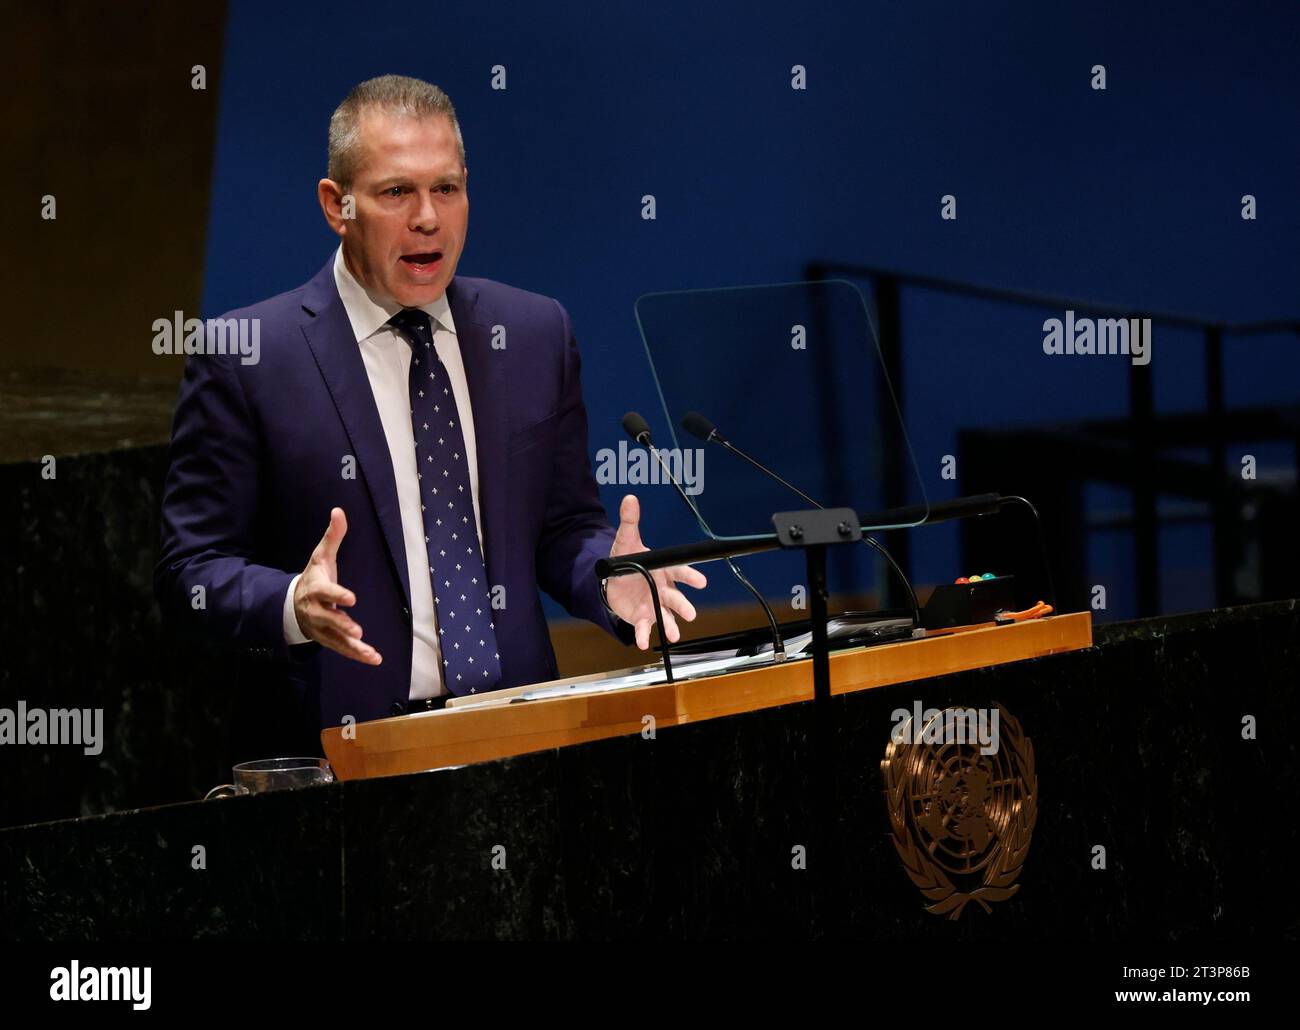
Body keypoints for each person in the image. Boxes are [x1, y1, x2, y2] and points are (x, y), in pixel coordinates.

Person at [155, 74, 705, 759]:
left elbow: (563, 526)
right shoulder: (248, 357)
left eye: (446, 188)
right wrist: (292, 601)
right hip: (338, 756)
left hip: (519, 740)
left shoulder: (533, 334)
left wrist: (608, 578)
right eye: (396, 192)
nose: (427, 218)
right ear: (337, 205)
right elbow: (191, 572)